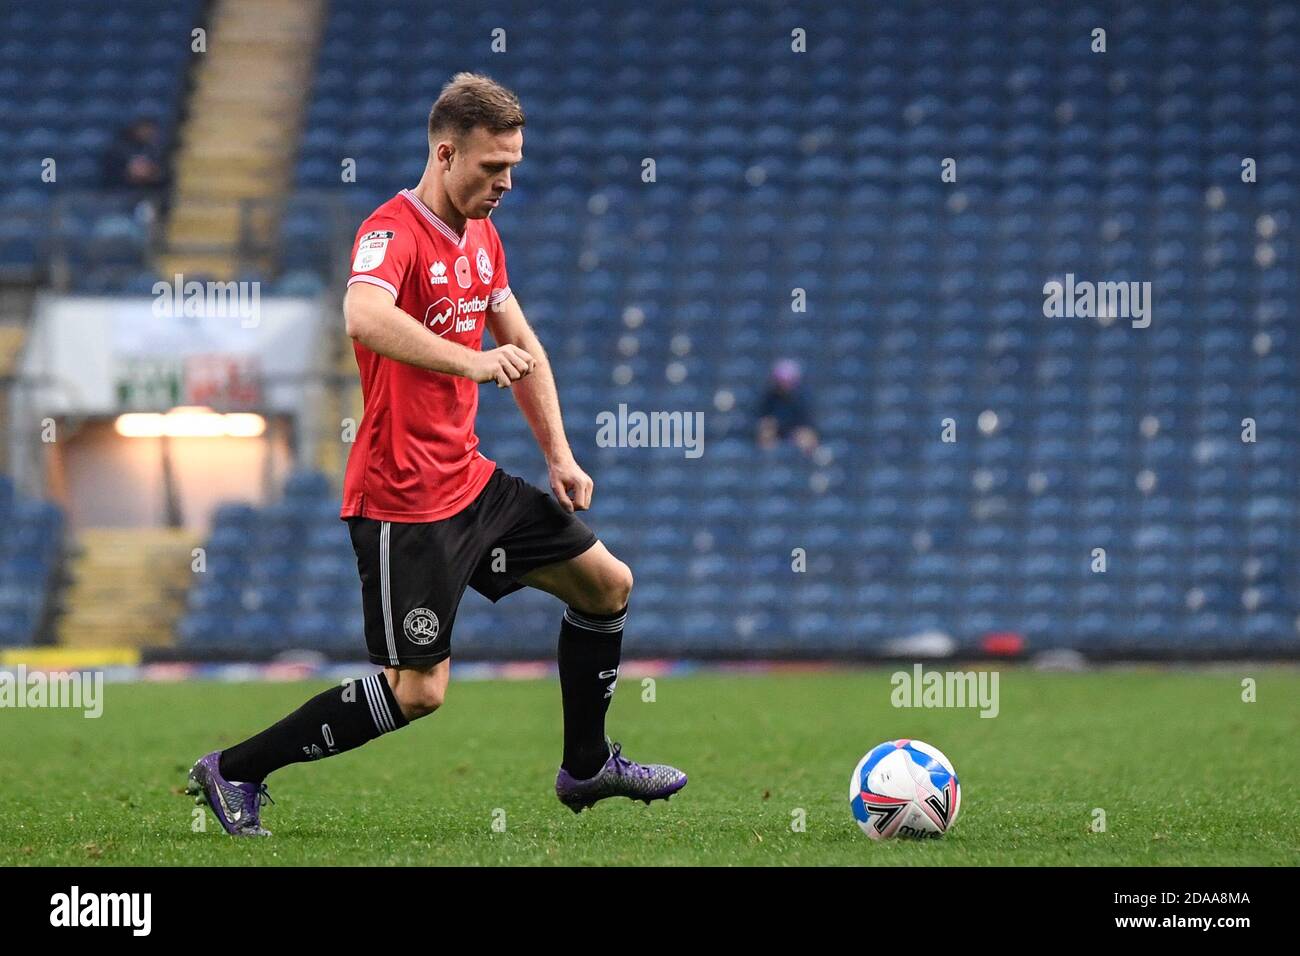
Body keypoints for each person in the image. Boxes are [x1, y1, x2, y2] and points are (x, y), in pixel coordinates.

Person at [186, 73, 686, 836]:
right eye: (492, 168)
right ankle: (236, 768)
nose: (506, 183)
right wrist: (471, 362)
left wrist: (559, 454)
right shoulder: (391, 232)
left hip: (473, 481)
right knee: (418, 693)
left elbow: (524, 349)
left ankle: (585, 767)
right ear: (446, 154)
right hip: (403, 500)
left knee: (606, 585)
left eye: (513, 167)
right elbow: (362, 314)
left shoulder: (484, 238)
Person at [756, 359, 819, 455]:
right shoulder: (769, 398)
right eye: (781, 381)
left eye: (788, 381)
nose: (784, 385)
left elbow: (807, 424)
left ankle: (806, 465)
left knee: (806, 437)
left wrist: (798, 433)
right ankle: (768, 463)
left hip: (796, 432)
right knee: (766, 430)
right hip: (777, 432)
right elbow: (764, 419)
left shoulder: (803, 398)